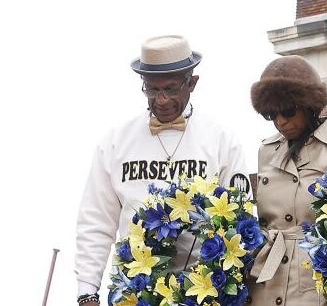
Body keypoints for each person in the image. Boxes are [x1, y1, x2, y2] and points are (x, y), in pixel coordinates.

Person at [75, 35, 248, 306]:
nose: (162, 100)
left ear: (192, 83)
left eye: (170, 88)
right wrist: (87, 291)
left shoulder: (221, 140)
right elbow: (96, 221)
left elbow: (241, 215)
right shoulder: (115, 142)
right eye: (152, 90)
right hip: (133, 292)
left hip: (203, 292)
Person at [248, 55, 327, 306]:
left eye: (287, 110)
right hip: (267, 279)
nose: (280, 121)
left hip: (316, 281)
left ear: (309, 104)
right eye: (270, 114)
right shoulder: (266, 151)